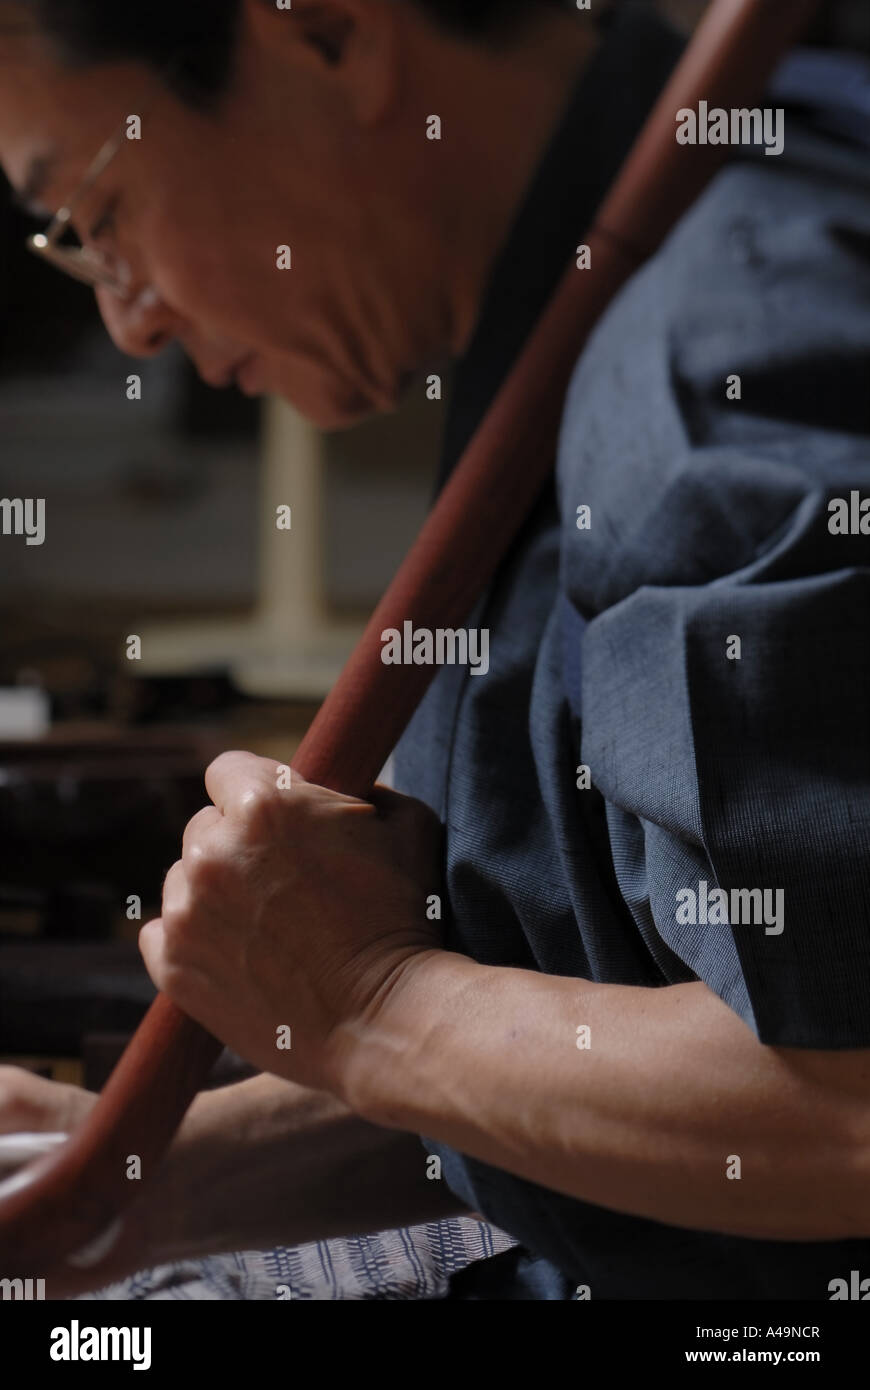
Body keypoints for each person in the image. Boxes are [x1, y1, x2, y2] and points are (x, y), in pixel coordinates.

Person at [1, 0, 870, 1300]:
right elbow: (586, 1047)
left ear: (326, 33)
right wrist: (129, 1183)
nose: (126, 322)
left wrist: (370, 1004)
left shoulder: (714, 366)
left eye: (92, 211)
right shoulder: (592, 298)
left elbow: (836, 1103)